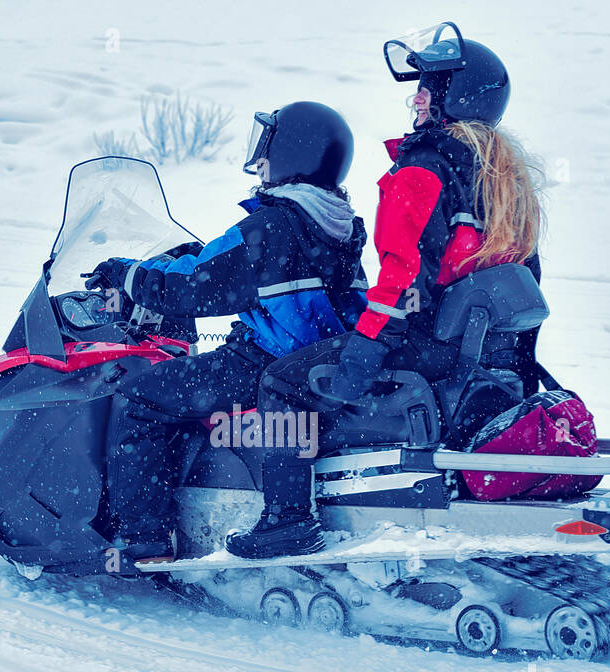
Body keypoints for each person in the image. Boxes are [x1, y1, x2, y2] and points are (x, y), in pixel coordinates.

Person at [226, 23, 546, 559]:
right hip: (479, 348)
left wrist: (366, 348)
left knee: (281, 381)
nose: (416, 95)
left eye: (429, 85)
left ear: (456, 97)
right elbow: (528, 275)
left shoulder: (423, 169)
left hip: (425, 339)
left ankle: (286, 523)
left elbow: (402, 276)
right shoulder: (503, 178)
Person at [88, 101, 367, 561]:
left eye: (268, 144)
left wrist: (127, 275)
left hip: (264, 362)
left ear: (290, 151)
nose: (261, 157)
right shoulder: (340, 225)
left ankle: (145, 538)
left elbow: (189, 287)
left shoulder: (270, 224)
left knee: (139, 397)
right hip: (321, 360)